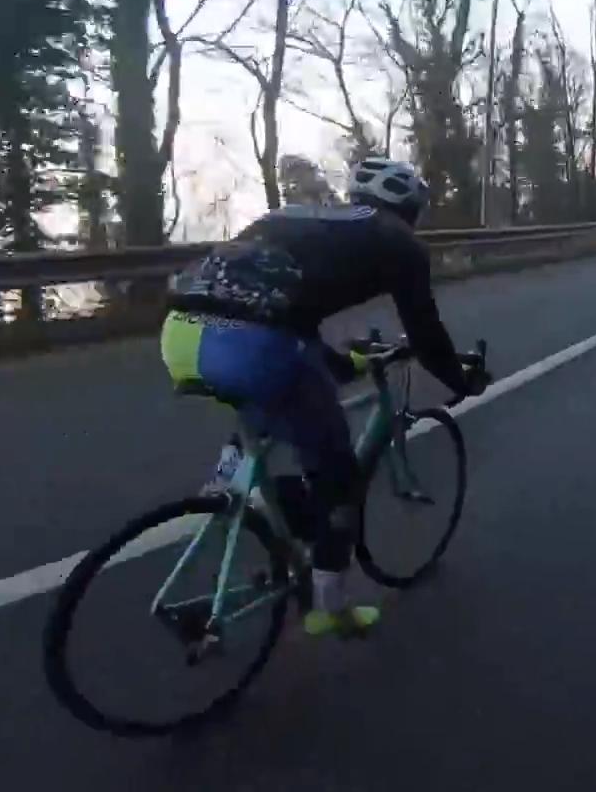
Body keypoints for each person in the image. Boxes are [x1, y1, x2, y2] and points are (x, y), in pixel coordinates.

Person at [160, 158, 487, 638]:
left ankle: (233, 484)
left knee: (276, 395)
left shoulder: (296, 218)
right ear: (410, 207)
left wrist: (343, 363)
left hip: (180, 333)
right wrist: (461, 382)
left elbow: (277, 303)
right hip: (254, 343)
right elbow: (426, 334)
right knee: (340, 480)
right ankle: (328, 608)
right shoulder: (399, 242)